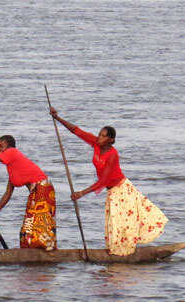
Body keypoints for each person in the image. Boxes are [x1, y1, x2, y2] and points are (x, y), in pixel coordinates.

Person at [49, 107, 168, 255]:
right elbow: (77, 131)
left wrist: (81, 193)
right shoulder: (96, 144)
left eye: (103, 136)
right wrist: (58, 118)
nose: (99, 137)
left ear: (111, 140)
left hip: (122, 190)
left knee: (120, 221)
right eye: (99, 134)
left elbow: (103, 181)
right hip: (112, 191)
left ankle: (122, 253)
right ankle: (116, 251)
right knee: (113, 221)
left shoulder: (112, 155)